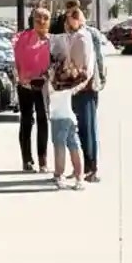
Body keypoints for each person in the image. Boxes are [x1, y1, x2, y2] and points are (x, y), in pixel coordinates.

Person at [13, 7, 52, 172]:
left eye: (45, 18)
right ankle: (26, 160)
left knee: (43, 120)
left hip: (43, 86)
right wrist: (22, 77)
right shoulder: (23, 38)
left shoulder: (52, 40)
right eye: (38, 18)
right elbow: (16, 59)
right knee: (27, 120)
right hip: (25, 85)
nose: (41, 21)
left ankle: (43, 161)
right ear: (33, 20)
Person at [73, 10, 105, 183]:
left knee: (88, 128)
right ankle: (81, 166)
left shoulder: (90, 34)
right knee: (78, 128)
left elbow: (98, 60)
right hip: (74, 88)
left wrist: (98, 82)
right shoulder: (68, 35)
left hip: (87, 88)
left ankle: (91, 167)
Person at [47, 56, 87, 190]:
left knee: (60, 148)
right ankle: (79, 177)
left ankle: (59, 175)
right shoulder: (69, 86)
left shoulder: (52, 86)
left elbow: (45, 96)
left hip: (58, 119)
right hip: (70, 118)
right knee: (75, 147)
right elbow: (81, 82)